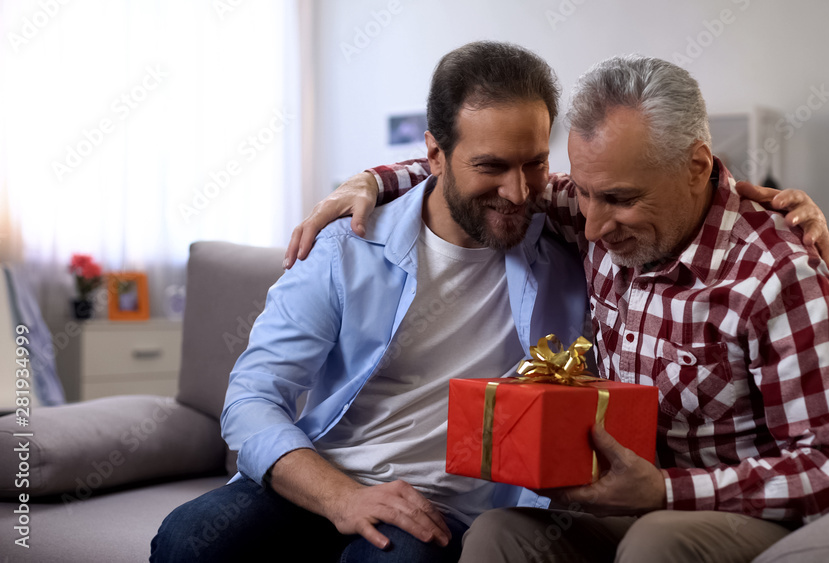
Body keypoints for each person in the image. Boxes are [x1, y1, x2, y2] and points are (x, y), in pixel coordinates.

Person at [291, 55, 829, 562]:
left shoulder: (779, 275)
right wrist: (371, 180)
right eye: (587, 194)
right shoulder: (599, 211)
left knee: (658, 545)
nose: (592, 225)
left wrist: (666, 492)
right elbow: (477, 174)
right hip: (622, 502)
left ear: (698, 165)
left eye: (619, 199)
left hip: (734, 512)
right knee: (499, 535)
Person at [149, 41, 591, 562]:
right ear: (435, 155)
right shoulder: (344, 249)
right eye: (490, 166)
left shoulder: (573, 249)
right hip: (323, 481)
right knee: (187, 541)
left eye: (534, 163)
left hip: (443, 510)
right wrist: (343, 497)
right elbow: (251, 400)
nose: (518, 192)